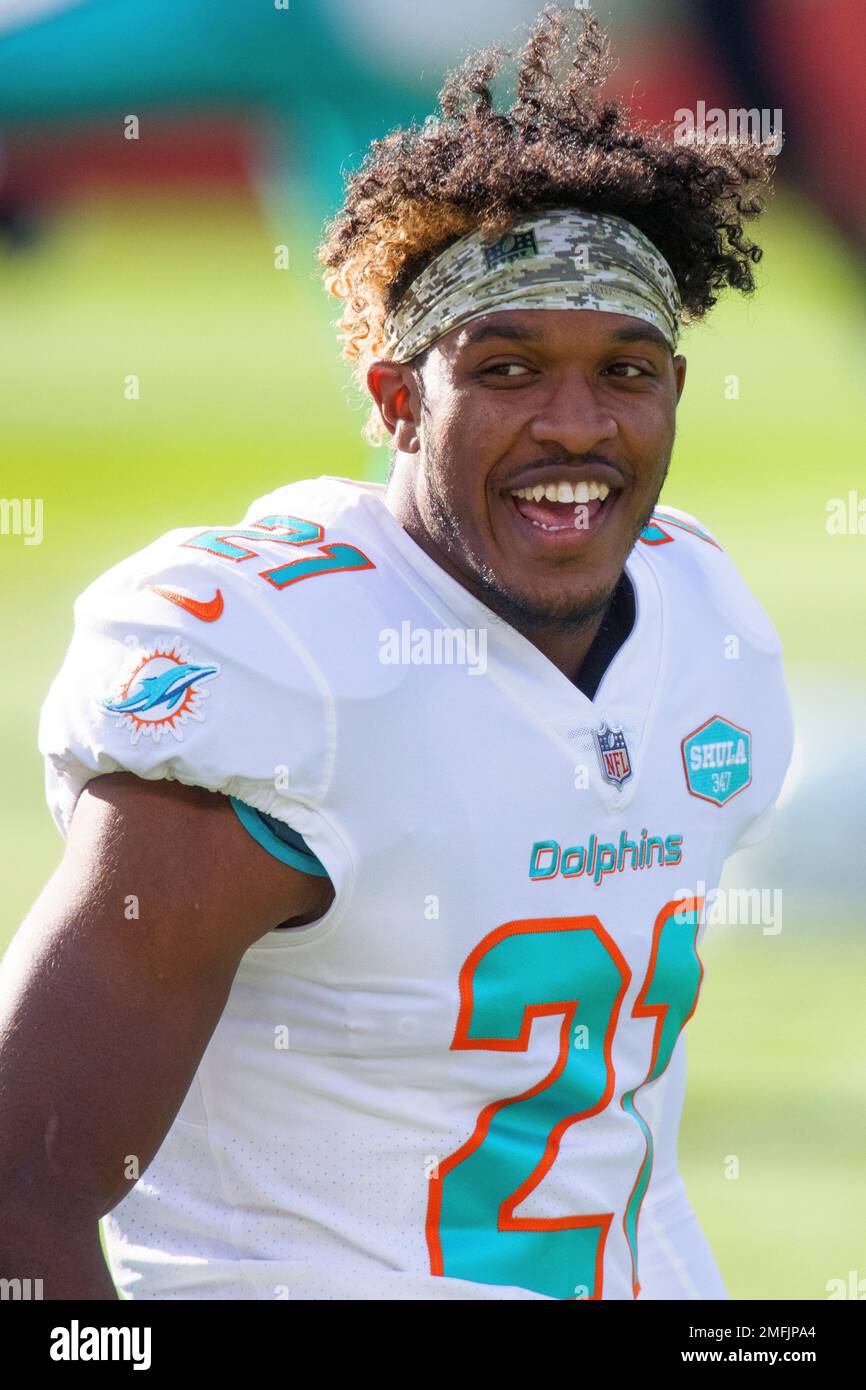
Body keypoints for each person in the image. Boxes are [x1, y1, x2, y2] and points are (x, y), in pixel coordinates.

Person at [0, 7, 792, 1300]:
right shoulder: (284, 676)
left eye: (625, 369)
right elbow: (20, 1199)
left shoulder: (704, 624)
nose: (576, 426)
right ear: (392, 400)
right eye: (509, 367)